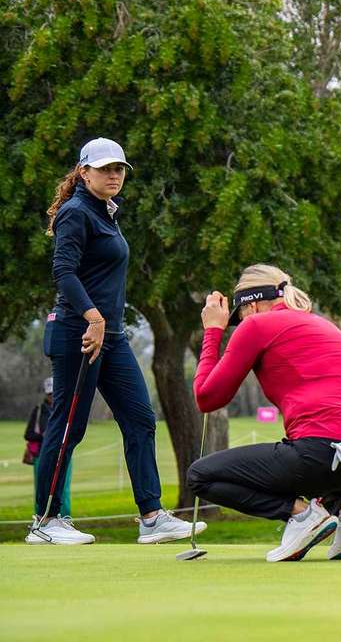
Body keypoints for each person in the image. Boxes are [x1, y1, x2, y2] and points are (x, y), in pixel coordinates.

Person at [28, 138, 200, 546]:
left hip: (112, 335)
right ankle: (46, 521)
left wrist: (104, 322)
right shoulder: (75, 212)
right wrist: (93, 317)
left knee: (140, 418)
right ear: (84, 172)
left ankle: (152, 517)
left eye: (119, 169)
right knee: (69, 425)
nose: (114, 175)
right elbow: (64, 272)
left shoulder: (105, 212)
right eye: (105, 168)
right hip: (80, 333)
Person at [187, 264, 341, 562]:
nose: (240, 323)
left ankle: (301, 516)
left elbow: (207, 398)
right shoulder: (323, 324)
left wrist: (212, 332)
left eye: (240, 315)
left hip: (324, 454)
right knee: (309, 461)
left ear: (252, 305)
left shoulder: (255, 325)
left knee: (200, 476)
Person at [25, 377, 73, 517]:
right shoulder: (39, 410)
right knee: (41, 489)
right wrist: (46, 436)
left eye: (54, 393)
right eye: (50, 393)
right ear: (46, 394)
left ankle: (64, 517)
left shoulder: (66, 408)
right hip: (41, 454)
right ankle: (40, 518)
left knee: (63, 488)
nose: (52, 396)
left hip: (62, 453)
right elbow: (29, 434)